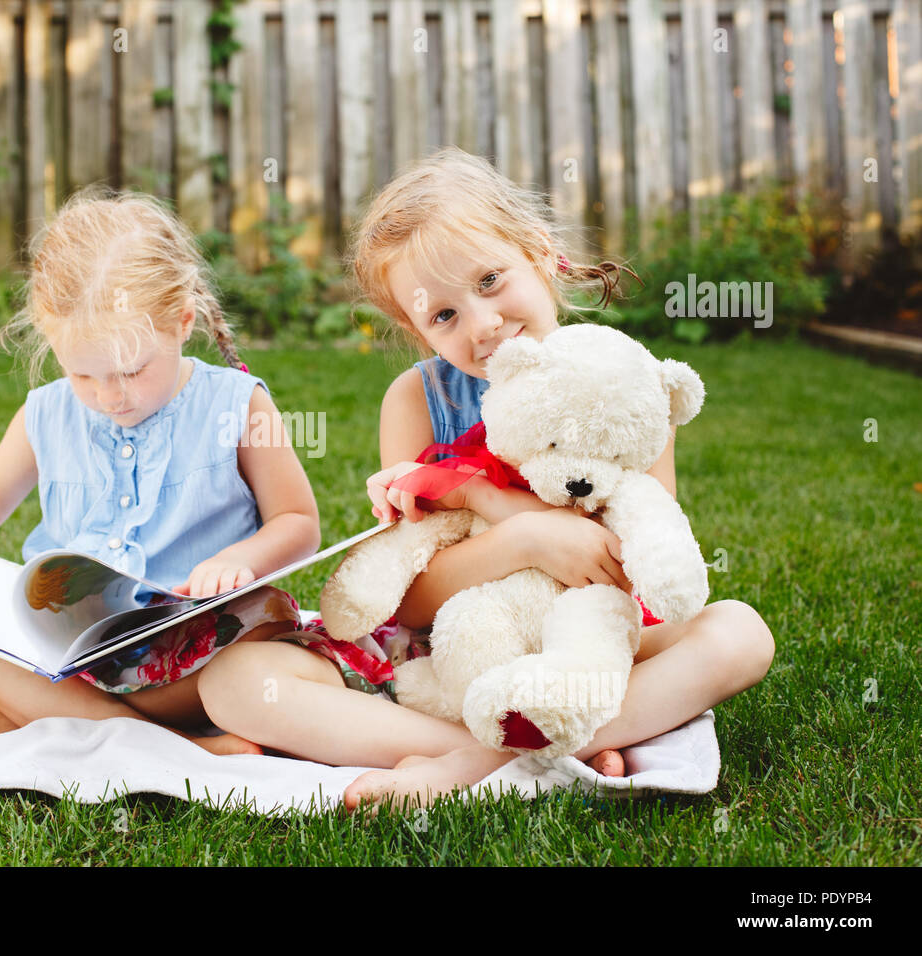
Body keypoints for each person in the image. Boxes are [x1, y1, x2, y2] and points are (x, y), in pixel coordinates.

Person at [195, 147, 775, 808]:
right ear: (418, 332)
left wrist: (521, 527)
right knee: (235, 680)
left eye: (491, 280)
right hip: (450, 653)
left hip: (595, 634)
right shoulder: (417, 402)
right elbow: (410, 602)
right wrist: (522, 540)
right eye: (442, 315)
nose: (483, 324)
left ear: (538, 250)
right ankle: (556, 745)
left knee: (740, 634)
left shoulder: (623, 383)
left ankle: (470, 763)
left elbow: (643, 564)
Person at [0, 185, 321, 756]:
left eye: (131, 371)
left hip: (191, 651)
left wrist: (238, 561)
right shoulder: (46, 413)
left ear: (181, 321)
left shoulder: (235, 405)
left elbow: (298, 521)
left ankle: (47, 719)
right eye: (83, 375)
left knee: (252, 660)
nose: (109, 397)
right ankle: (180, 745)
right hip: (70, 649)